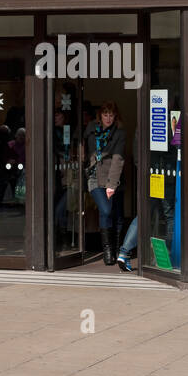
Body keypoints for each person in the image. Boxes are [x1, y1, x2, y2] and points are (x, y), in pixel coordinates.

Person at [84, 101, 128, 265]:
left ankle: (114, 251)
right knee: (106, 209)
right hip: (95, 177)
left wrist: (111, 184)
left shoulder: (119, 133)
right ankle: (108, 249)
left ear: (115, 116)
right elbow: (80, 145)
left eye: (111, 115)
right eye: (105, 114)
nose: (108, 118)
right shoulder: (91, 129)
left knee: (115, 214)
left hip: (113, 177)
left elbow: (118, 159)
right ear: (99, 115)